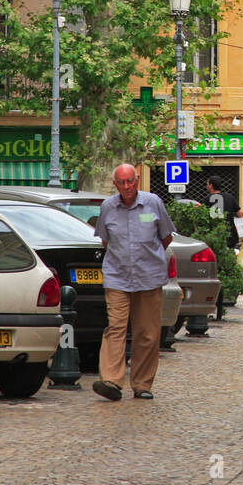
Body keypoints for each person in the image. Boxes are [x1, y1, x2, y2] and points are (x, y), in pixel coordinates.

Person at [92, 163, 176, 402]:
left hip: (149, 277)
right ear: (115, 184)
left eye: (130, 181)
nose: (127, 186)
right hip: (117, 277)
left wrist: (148, 257)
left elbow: (166, 236)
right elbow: (105, 241)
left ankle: (141, 384)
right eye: (122, 182)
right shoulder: (108, 207)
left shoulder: (153, 203)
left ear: (137, 180)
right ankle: (111, 380)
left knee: (147, 333)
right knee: (116, 327)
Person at [206, 175, 243, 250]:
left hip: (215, 235)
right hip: (231, 234)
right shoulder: (230, 197)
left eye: (207, 184)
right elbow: (240, 214)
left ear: (211, 185)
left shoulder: (207, 200)